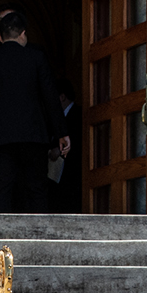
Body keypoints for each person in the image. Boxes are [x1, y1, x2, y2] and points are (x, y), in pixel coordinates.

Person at [0, 10, 68, 214]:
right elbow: (51, 98)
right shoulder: (37, 58)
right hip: (32, 136)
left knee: (2, 192)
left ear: (0, 37)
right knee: (37, 190)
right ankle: (38, 239)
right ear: (23, 33)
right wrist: (61, 133)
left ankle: (4, 245)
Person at [51, 83, 82, 212]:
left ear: (62, 97)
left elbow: (79, 137)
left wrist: (59, 150)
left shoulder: (78, 113)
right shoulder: (59, 117)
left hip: (75, 167)